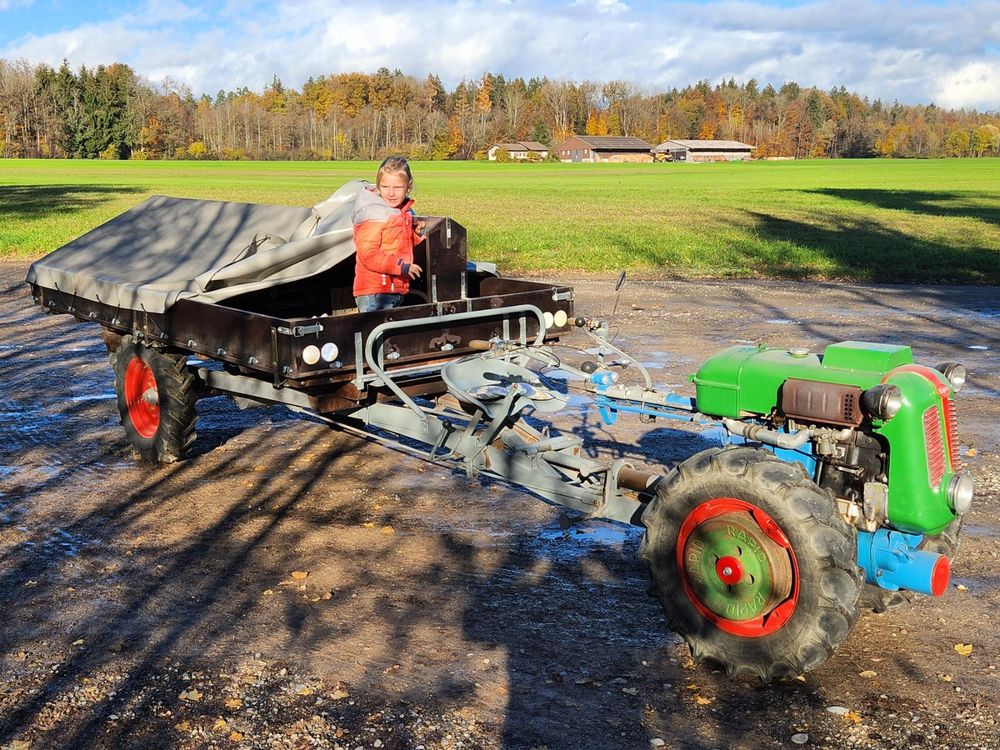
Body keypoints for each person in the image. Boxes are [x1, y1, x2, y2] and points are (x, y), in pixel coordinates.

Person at [352, 156, 425, 312]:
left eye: (397, 187)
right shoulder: (373, 214)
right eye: (385, 187)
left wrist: (415, 235)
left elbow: (397, 243)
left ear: (409, 186)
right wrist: (401, 267)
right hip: (376, 292)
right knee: (377, 328)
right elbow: (368, 254)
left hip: (392, 289)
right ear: (378, 186)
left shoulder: (400, 211)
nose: (391, 193)